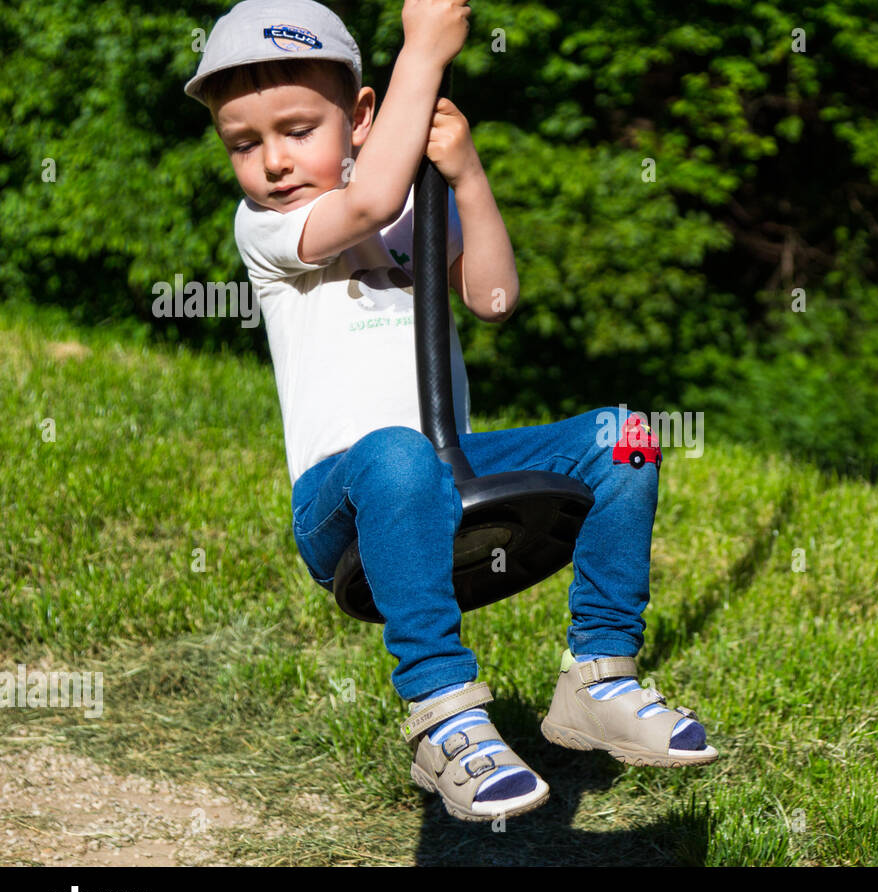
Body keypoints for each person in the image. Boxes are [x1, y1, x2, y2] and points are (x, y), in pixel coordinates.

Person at [184, 0, 717, 823]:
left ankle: (598, 679)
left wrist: (466, 174)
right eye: (245, 144)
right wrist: (422, 50)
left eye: (296, 130)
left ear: (360, 116)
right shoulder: (267, 228)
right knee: (395, 449)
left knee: (626, 435)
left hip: (445, 472)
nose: (273, 162)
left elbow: (494, 297)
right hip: (344, 508)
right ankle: (443, 718)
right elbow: (364, 205)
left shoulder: (413, 198)